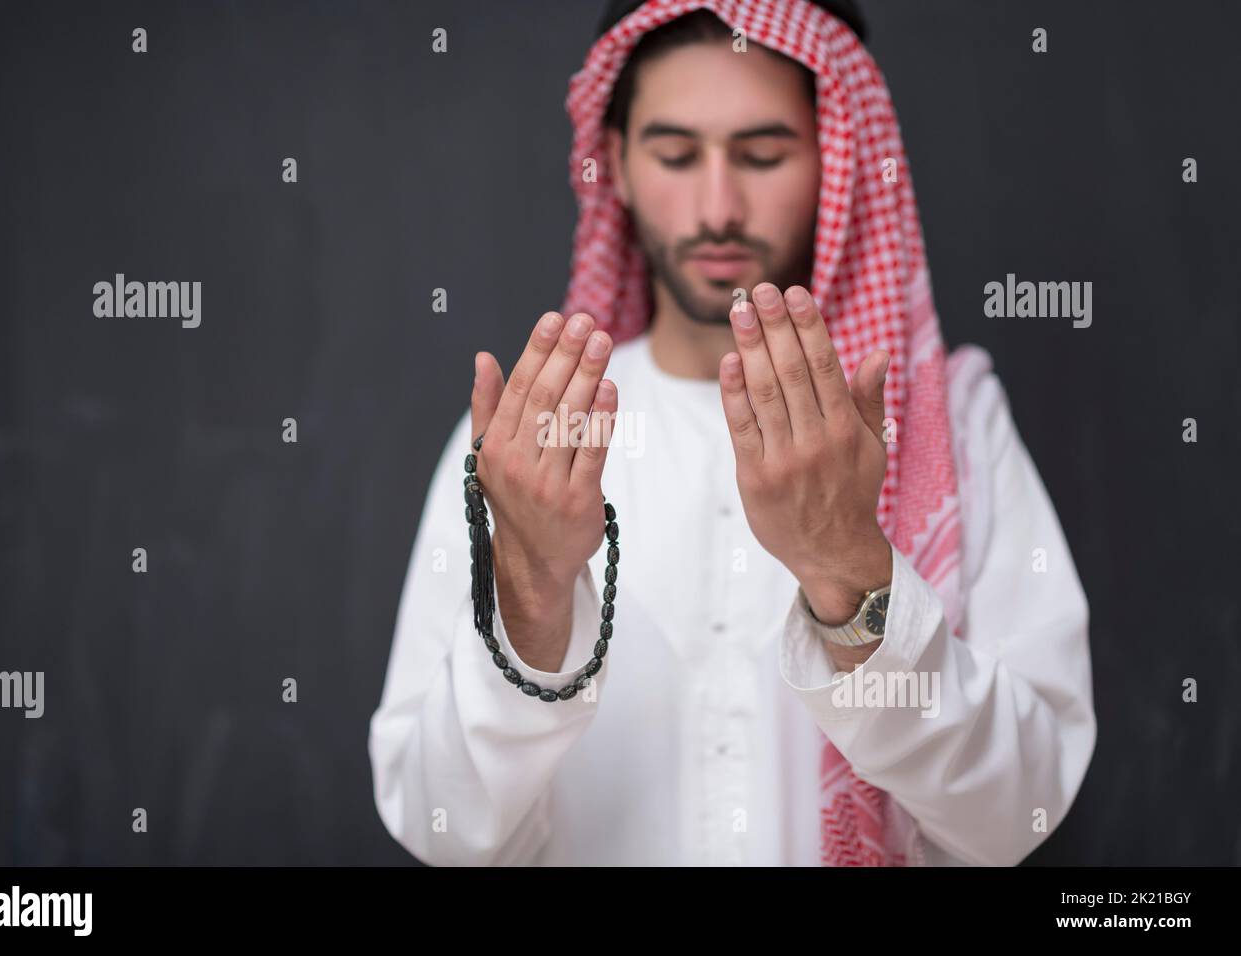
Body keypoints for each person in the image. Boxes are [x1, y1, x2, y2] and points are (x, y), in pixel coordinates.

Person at [368, 0, 1096, 866]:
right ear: (619, 169)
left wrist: (848, 569)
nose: (717, 206)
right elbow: (435, 826)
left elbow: (1024, 815)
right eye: (676, 155)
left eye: (762, 154)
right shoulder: (529, 442)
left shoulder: (952, 423)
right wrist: (528, 589)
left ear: (837, 160)